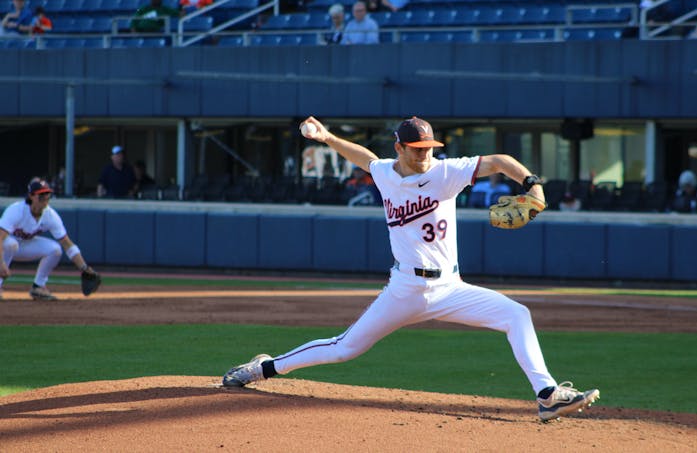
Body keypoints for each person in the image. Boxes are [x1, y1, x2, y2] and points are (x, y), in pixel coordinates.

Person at [222, 115, 600, 423]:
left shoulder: (446, 172)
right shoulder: (386, 173)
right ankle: (263, 369)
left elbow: (500, 161)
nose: (424, 154)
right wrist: (327, 138)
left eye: (428, 147)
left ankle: (547, 395)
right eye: (416, 148)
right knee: (344, 348)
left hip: (451, 288)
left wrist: (532, 184)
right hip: (404, 289)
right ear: (399, 148)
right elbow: (363, 157)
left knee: (517, 315)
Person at [0, 178, 98, 301]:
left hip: (24, 245)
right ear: (31, 196)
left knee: (55, 249)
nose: (45, 197)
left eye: (47, 194)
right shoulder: (16, 210)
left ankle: (38, 287)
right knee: (11, 244)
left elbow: (67, 243)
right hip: (5, 246)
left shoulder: (50, 215)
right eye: (41, 194)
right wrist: (1, 263)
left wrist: (84, 267)